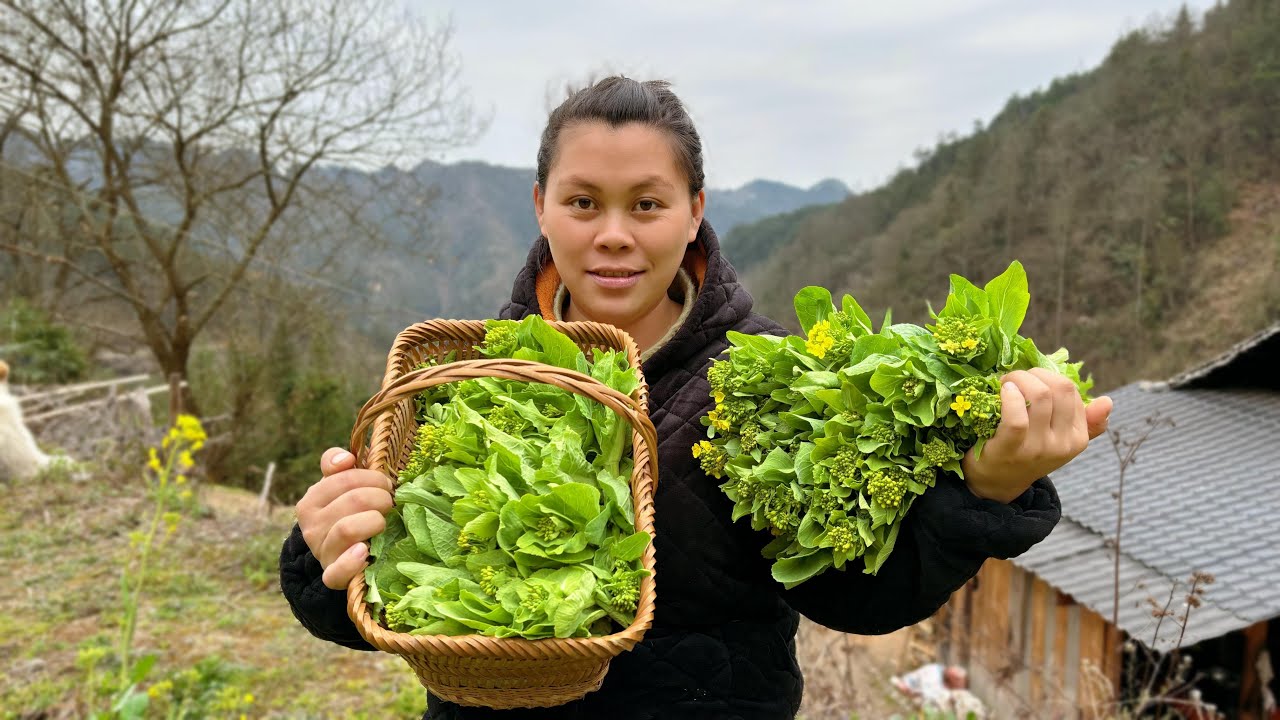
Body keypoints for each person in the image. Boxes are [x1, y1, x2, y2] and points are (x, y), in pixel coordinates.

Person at [280, 76, 1114, 720]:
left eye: (647, 203)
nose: (613, 233)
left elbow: (862, 599)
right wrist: (327, 555)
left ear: (694, 214)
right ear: (541, 209)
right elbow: (376, 603)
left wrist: (985, 492)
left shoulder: (777, 382)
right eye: (582, 203)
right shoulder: (466, 377)